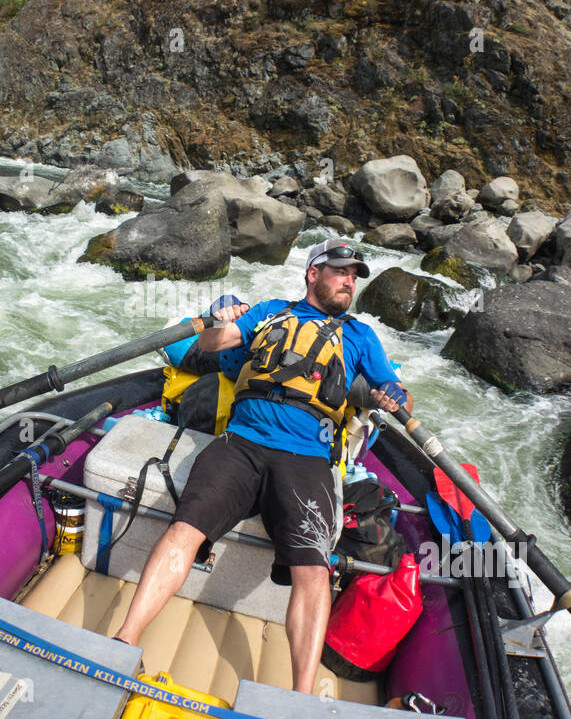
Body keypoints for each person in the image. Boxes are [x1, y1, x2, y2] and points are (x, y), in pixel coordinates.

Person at [114, 239, 413, 694]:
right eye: (339, 271)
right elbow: (213, 344)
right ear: (313, 274)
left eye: (354, 274)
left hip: (307, 459)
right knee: (183, 530)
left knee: (313, 570)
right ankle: (123, 641)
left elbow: (398, 391)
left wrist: (395, 395)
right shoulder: (272, 311)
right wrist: (220, 319)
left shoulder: (360, 336)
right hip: (240, 444)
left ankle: (300, 696)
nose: (349, 280)